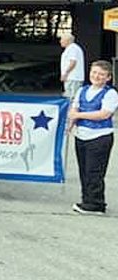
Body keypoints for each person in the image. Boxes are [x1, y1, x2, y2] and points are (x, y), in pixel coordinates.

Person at [69, 60, 118, 215]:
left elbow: (104, 114)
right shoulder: (82, 90)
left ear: (108, 77)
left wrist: (79, 114)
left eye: (101, 74)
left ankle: (96, 203)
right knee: (84, 170)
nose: (96, 76)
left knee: (94, 171)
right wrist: (70, 124)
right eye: (94, 73)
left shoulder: (110, 93)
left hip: (99, 137)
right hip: (81, 135)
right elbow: (74, 108)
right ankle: (87, 199)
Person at [59, 34, 85, 99]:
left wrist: (65, 73)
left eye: (62, 39)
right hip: (71, 78)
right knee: (70, 96)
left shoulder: (72, 48)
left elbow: (73, 62)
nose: (60, 41)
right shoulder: (70, 48)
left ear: (68, 40)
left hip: (73, 78)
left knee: (72, 97)